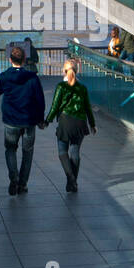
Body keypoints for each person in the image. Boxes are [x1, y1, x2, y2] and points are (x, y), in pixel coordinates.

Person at [0, 44, 46, 196]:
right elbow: (40, 100)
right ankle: (22, 184)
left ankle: (13, 178)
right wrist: (41, 119)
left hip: (11, 120)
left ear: (10, 60)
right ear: (24, 60)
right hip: (29, 120)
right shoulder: (32, 78)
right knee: (27, 152)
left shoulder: (4, 76)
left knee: (10, 149)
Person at [45, 58, 96, 193]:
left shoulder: (61, 86)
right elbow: (87, 108)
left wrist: (47, 121)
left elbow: (55, 106)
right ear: (77, 71)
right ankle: (72, 184)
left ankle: (71, 179)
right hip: (80, 123)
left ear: (64, 71)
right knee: (75, 152)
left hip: (65, 122)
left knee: (62, 152)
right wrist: (92, 124)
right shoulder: (82, 87)